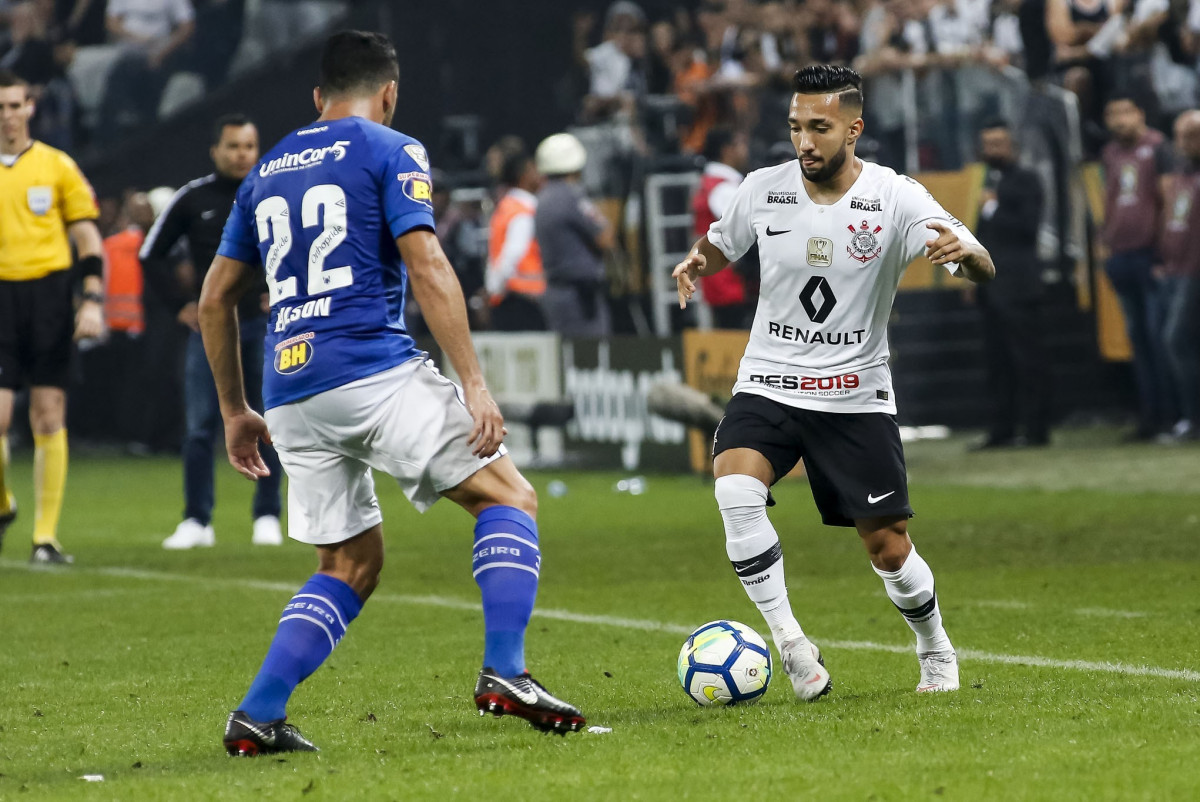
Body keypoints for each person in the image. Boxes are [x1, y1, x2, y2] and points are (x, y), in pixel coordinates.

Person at [203, 31, 585, 755]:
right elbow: (428, 261)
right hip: (368, 366)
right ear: (389, 94)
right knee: (508, 498)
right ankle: (506, 671)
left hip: (289, 391)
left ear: (317, 98)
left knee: (350, 562)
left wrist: (234, 410)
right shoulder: (391, 146)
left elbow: (215, 297)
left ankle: (258, 713)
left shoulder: (267, 167)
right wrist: (474, 382)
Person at [673, 65, 995, 700]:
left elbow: (981, 261)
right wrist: (696, 262)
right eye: (795, 127)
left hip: (853, 395)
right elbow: (720, 243)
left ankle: (935, 649)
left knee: (888, 549)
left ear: (854, 128)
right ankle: (792, 645)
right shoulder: (763, 189)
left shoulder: (896, 198)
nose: (804, 142)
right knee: (735, 490)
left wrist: (968, 257)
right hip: (767, 381)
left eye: (819, 127)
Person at [139, 113, 283, 548]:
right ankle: (197, 520)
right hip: (212, 330)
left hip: (265, 325)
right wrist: (180, 306)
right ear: (215, 151)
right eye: (234, 146)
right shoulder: (193, 198)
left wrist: (284, 294)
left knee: (272, 421)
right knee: (200, 424)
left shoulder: (274, 191)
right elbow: (151, 255)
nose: (242, 154)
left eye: (249, 146)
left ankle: (267, 515)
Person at [0, 69, 104, 564]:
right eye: (0, 107)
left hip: (48, 297)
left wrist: (92, 299)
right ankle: (3, 505)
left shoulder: (58, 166)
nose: (7, 116)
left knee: (48, 414)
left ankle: (45, 537)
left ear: (30, 108)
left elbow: (86, 237)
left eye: (15, 105)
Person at [1101, 95, 1175, 440]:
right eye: (1113, 114)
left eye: (1125, 113)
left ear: (1140, 114)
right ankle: (1150, 416)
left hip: (1150, 255)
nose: (1119, 121)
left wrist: (1163, 253)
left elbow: (1168, 199)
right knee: (1138, 341)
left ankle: (1173, 415)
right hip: (1121, 254)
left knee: (1160, 337)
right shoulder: (1111, 153)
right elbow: (1110, 198)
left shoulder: (1159, 148)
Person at [971, 120, 1050, 448]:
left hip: (1019, 286)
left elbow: (1028, 229)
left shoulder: (1027, 180)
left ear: (1012, 146)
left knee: (1027, 360)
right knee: (997, 362)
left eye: (998, 143)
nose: (992, 150)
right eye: (987, 144)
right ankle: (1001, 429)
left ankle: (1035, 430)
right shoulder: (988, 181)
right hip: (991, 289)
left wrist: (991, 207)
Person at [534, 132, 614, 337]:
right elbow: (605, 237)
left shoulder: (542, 199)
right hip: (580, 299)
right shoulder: (572, 197)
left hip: (556, 292)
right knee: (592, 358)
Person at [1157, 110, 1200, 442]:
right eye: (1181, 135)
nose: (1184, 142)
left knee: (1176, 340)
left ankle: (1193, 418)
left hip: (1194, 272)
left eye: (1192, 135)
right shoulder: (1181, 175)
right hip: (1175, 269)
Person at [692, 127, 754, 329]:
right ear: (727, 150)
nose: (746, 149)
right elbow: (749, 232)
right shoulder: (723, 189)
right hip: (733, 286)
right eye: (740, 144)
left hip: (721, 285)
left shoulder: (713, 184)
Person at [485, 149, 547, 331]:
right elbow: (512, 254)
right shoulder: (524, 211)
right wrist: (497, 289)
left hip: (508, 298)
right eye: (534, 170)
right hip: (521, 301)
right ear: (524, 176)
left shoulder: (506, 206)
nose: (540, 174)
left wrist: (492, 289)